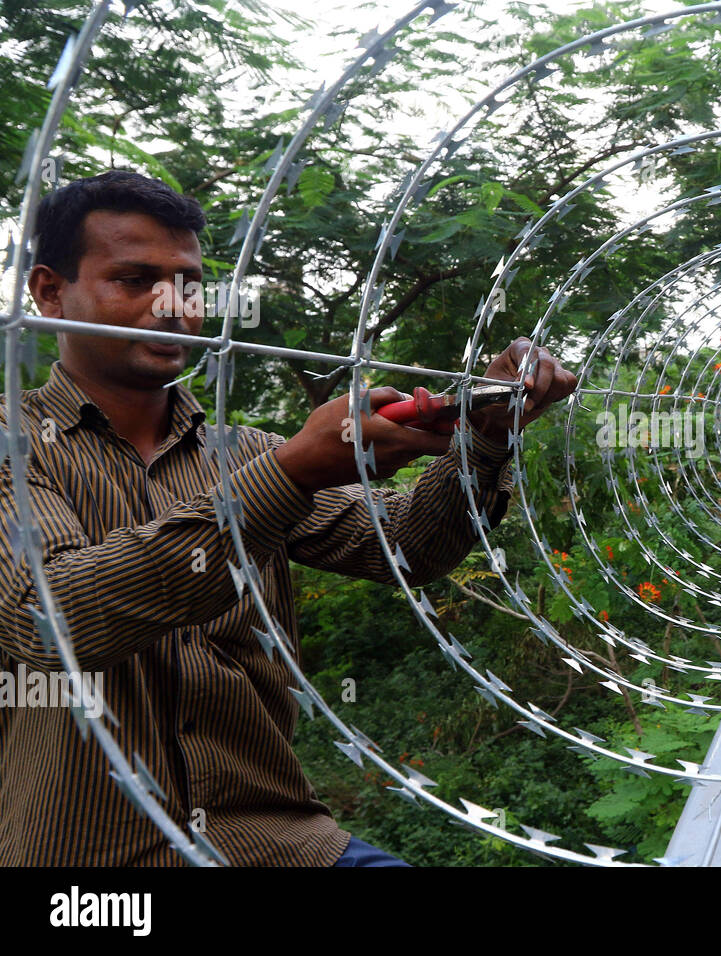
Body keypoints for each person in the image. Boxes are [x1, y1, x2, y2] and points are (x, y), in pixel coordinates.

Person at [0, 170, 578, 866]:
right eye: (133, 279)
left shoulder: (243, 450)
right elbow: (52, 612)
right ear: (49, 291)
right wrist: (294, 473)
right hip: (88, 861)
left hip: (276, 844)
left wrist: (484, 436)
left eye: (189, 283)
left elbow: (408, 548)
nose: (172, 305)